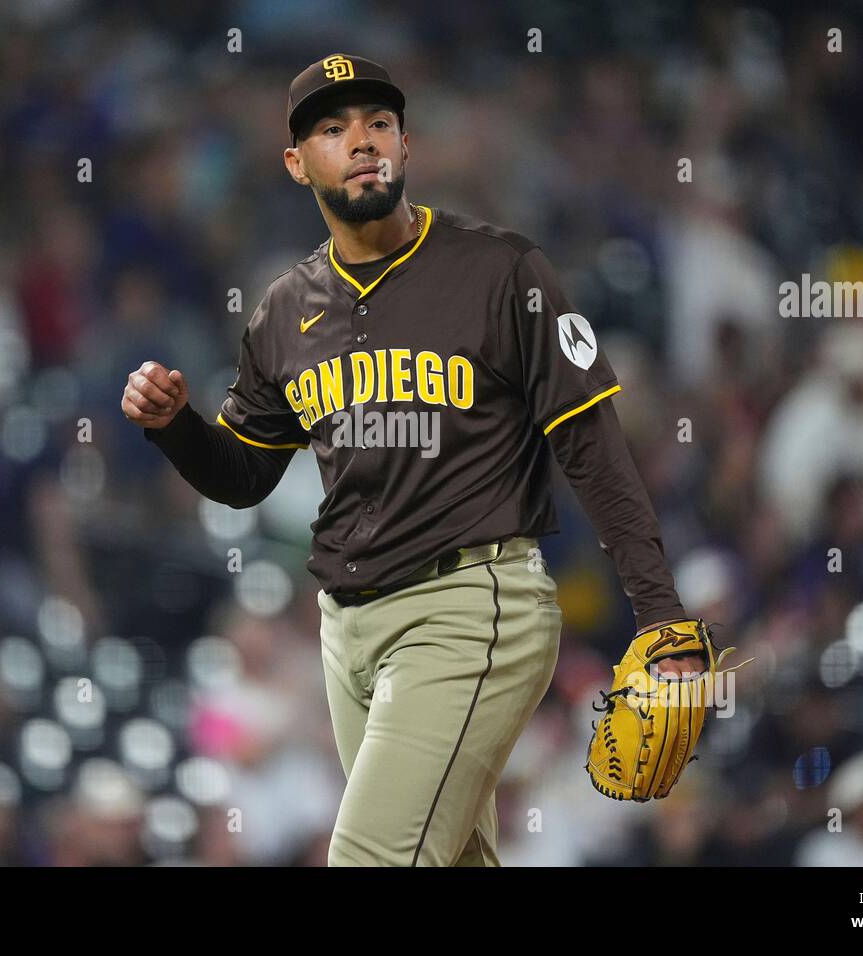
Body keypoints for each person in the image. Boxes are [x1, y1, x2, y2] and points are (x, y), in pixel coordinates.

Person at [124, 54, 700, 866]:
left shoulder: (501, 271)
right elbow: (246, 474)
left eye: (379, 124)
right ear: (297, 163)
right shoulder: (285, 310)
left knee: (367, 859)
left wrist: (660, 611)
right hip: (346, 627)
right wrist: (178, 426)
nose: (361, 142)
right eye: (333, 128)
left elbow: (592, 446)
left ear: (406, 144)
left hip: (472, 606)